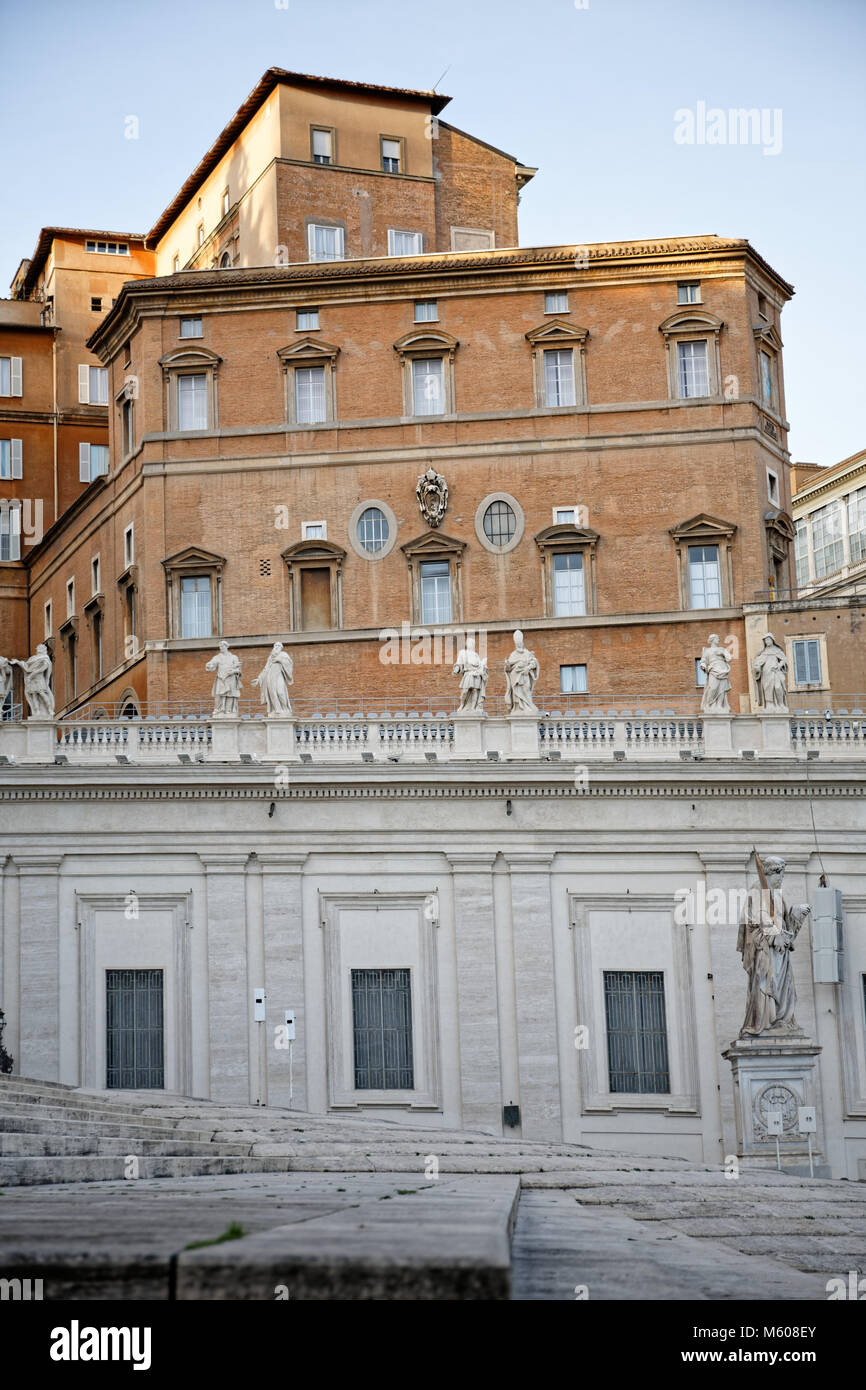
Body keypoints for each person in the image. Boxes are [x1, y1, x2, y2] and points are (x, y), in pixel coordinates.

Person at [737, 854, 810, 1036]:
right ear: (771, 873)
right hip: (764, 951)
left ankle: (781, 1020)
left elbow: (785, 927)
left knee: (785, 988)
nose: (781, 879)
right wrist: (771, 938)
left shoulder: (777, 896)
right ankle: (765, 1023)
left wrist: (796, 914)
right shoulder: (757, 891)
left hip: (780, 954)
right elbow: (752, 925)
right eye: (780, 875)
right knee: (766, 984)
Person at [11, 645, 54, 719]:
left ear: (43, 650)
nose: (38, 650)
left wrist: (32, 675)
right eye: (37, 649)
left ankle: (50, 710)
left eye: (39, 649)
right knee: (34, 695)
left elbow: (42, 668)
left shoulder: (45, 658)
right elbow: (27, 667)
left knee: (42, 693)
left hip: (38, 679)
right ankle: (36, 712)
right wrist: (18, 662)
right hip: (32, 680)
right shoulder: (33, 658)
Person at [252, 642, 294, 715]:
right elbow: (266, 669)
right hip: (270, 677)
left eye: (278, 645)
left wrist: (279, 660)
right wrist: (258, 679)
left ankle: (285, 709)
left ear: (281, 647)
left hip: (279, 675)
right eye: (275, 645)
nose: (277, 647)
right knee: (272, 693)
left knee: (280, 692)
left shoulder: (283, 654)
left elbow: (289, 663)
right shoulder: (271, 657)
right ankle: (277, 709)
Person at [504, 629, 540, 713]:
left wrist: (528, 668)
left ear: (522, 642)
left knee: (526, 690)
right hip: (515, 676)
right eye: (517, 642)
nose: (518, 644)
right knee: (516, 694)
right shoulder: (513, 654)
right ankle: (518, 708)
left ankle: (527, 706)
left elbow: (534, 663)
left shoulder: (527, 653)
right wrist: (507, 665)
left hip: (524, 675)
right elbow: (508, 669)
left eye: (519, 642)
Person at [205, 641, 242, 717]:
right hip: (221, 678)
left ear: (226, 646)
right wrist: (209, 665)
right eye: (220, 647)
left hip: (231, 679)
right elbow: (212, 664)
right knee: (219, 694)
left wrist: (233, 671)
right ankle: (219, 709)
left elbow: (239, 670)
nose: (221, 648)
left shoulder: (234, 657)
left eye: (222, 646)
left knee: (230, 695)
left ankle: (229, 710)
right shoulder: (217, 657)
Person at [753, 633, 788, 711]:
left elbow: (784, 659)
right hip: (766, 672)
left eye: (768, 640)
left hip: (775, 671)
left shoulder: (777, 650)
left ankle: (780, 704)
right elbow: (757, 662)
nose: (767, 642)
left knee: (778, 687)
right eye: (765, 640)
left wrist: (779, 665)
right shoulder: (763, 652)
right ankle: (769, 705)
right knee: (767, 688)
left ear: (772, 640)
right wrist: (757, 667)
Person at [453, 636, 488, 712]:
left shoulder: (476, 655)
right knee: (465, 691)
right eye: (469, 643)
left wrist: (484, 666)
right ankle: (462, 704)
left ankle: (473, 707)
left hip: (476, 675)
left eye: (472, 643)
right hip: (468, 674)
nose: (471, 644)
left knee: (475, 691)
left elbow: (480, 666)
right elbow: (459, 663)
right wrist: (457, 668)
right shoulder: (463, 652)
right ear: (467, 644)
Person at [700, 634, 732, 713]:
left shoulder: (721, 649)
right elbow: (703, 661)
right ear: (712, 640)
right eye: (717, 638)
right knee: (713, 687)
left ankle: (719, 706)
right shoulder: (707, 651)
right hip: (713, 669)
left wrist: (724, 653)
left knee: (722, 688)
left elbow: (729, 658)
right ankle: (710, 705)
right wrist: (703, 666)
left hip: (723, 669)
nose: (718, 640)